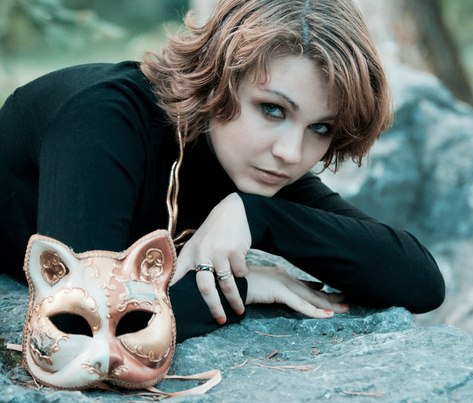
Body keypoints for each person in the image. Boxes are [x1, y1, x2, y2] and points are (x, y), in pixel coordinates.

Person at [0, 0, 445, 342]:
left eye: (320, 128)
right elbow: (84, 323)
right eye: (272, 109)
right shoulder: (103, 120)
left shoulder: (253, 164)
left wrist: (259, 215)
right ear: (219, 78)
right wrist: (242, 287)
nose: (291, 152)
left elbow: (419, 281)